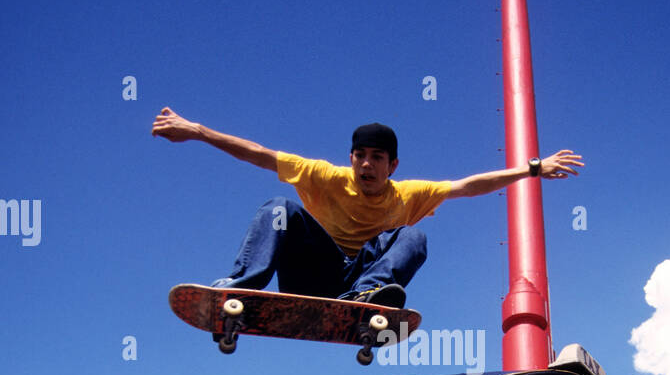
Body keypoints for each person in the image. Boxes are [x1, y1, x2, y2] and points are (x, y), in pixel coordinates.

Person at [152, 107, 583, 306]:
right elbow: (257, 153)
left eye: (377, 158)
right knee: (280, 206)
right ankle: (244, 287)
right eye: (361, 156)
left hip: (354, 280)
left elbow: (469, 186)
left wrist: (531, 169)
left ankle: (368, 297)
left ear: (392, 165)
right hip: (311, 272)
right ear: (351, 157)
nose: (367, 165)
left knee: (414, 235)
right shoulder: (323, 174)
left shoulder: (409, 194)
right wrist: (196, 130)